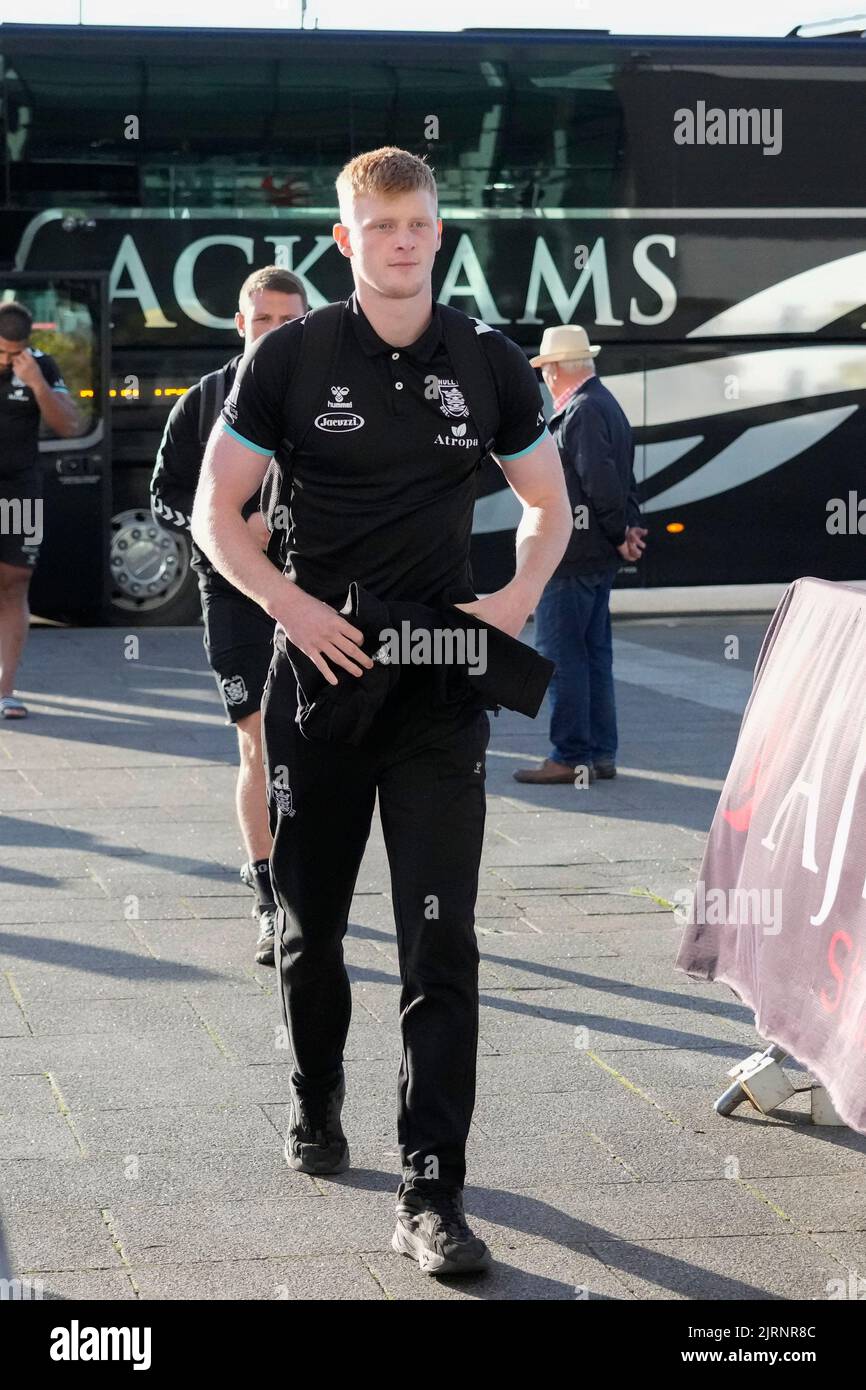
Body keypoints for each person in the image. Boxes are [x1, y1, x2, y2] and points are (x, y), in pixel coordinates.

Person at [191, 146, 572, 1276]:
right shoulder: (293, 358)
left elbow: (547, 507)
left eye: (417, 224)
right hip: (317, 685)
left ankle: (430, 1188)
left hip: (439, 692)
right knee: (310, 934)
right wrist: (286, 607)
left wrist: (509, 600)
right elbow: (217, 509)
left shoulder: (488, 362)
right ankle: (315, 1096)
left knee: (439, 940)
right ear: (343, 239)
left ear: (438, 234)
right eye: (379, 225)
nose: (400, 241)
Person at [151, 267, 308, 965]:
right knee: (257, 741)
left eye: (290, 321)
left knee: (317, 745)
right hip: (233, 592)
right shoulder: (201, 401)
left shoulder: (329, 394)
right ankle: (270, 896)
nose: (277, 333)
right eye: (265, 320)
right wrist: (231, 525)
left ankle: (314, 887)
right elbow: (163, 499)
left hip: (317, 594)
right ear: (240, 324)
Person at [514, 324, 647, 786]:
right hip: (597, 557)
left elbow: (600, 482)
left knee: (562, 657)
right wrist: (625, 531)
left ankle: (570, 755)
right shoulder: (606, 404)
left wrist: (616, 533)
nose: (544, 381)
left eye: (545, 371)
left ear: (554, 371)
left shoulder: (581, 412)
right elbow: (622, 478)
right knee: (593, 656)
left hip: (571, 556)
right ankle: (600, 754)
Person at [0, 300, 79, 719]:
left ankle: (6, 690)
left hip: (20, 488)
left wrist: (35, 383)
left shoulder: (40, 365)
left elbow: (70, 424)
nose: (8, 360)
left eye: (16, 353)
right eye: (1, 352)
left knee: (14, 581)